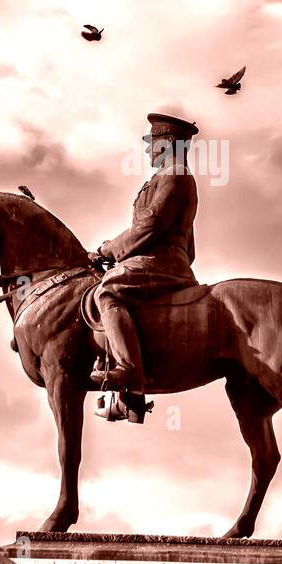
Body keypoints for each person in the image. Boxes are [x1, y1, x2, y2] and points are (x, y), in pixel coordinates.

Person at [88, 113, 200, 423]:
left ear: (167, 145)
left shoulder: (175, 176)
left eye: (152, 144)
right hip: (155, 259)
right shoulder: (165, 178)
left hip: (162, 263)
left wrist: (106, 249)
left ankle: (127, 371)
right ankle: (131, 400)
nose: (148, 150)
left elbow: (148, 226)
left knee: (107, 292)